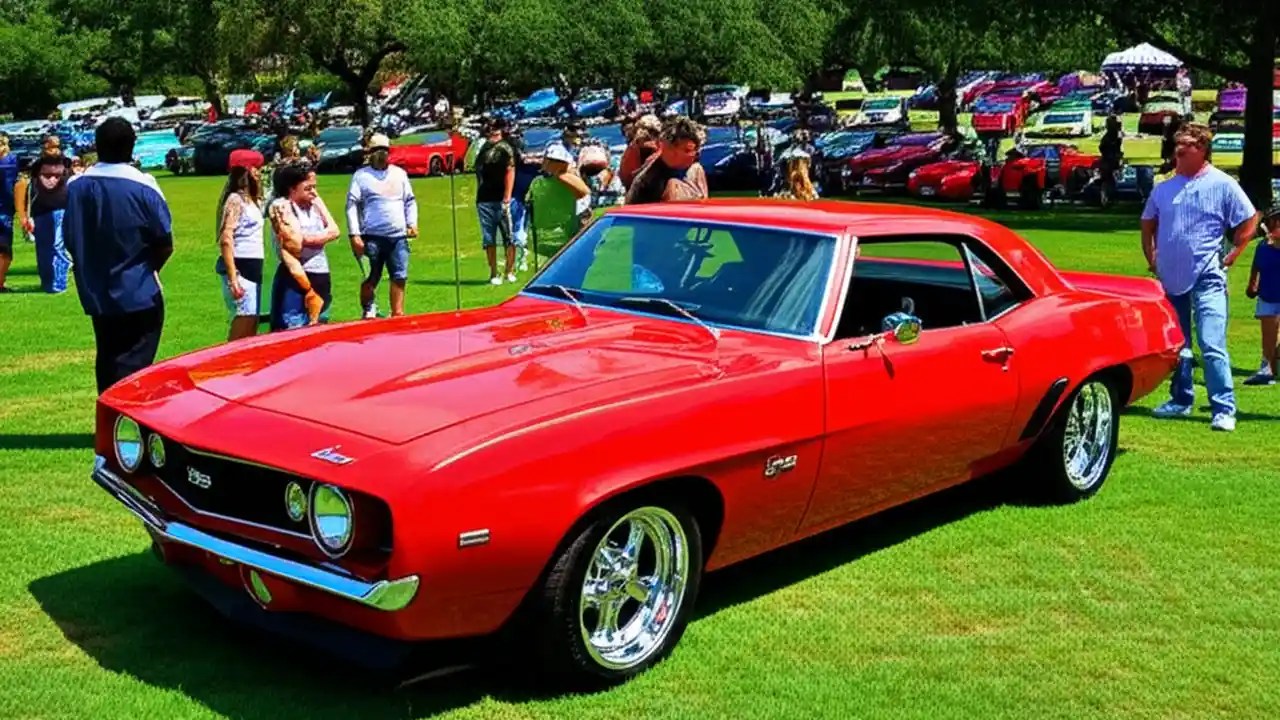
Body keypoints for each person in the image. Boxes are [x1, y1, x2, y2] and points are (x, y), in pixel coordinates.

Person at [1141, 123, 1259, 431]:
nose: (1179, 148)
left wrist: (1234, 251)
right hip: (1171, 278)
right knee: (1178, 344)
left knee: (1211, 343)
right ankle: (1181, 399)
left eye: (1187, 144)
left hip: (1208, 277)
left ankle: (1223, 408)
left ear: (1203, 149)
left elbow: (1250, 217)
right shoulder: (1164, 187)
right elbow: (1148, 223)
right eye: (1178, 143)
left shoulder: (1222, 184)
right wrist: (1151, 257)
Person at [62, 117, 173, 394]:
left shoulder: (76, 188)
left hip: (96, 292)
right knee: (134, 365)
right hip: (138, 291)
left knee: (108, 358)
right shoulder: (144, 186)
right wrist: (150, 269)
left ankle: (109, 424)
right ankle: (128, 428)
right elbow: (164, 241)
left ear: (97, 146)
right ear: (132, 147)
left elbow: (70, 238)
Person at [347, 133, 417, 319]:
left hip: (398, 236)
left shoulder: (399, 174)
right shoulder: (361, 176)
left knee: (399, 276)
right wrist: (354, 234)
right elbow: (351, 206)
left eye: (384, 150)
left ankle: (397, 313)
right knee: (372, 276)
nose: (381, 154)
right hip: (371, 236)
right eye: (377, 150)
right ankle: (368, 308)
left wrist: (412, 222)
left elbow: (410, 201)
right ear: (369, 152)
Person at [267, 162, 338, 330]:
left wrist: (308, 238)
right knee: (292, 329)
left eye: (314, 187)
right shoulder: (281, 206)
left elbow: (335, 230)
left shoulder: (315, 202)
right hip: (296, 277)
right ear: (292, 188)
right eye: (308, 188)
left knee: (319, 328)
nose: (314, 192)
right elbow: (295, 244)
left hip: (320, 272)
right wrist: (321, 237)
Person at [216, 150, 267, 341]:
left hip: (255, 266)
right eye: (255, 168)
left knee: (253, 318)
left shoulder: (253, 200)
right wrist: (233, 277)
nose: (259, 173)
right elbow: (226, 238)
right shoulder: (235, 200)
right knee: (244, 317)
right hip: (241, 266)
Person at [474, 118, 520, 284]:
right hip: (484, 199)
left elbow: (510, 171)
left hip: (501, 199)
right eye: (489, 129)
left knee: (509, 236)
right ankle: (493, 273)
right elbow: (476, 170)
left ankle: (509, 270)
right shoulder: (483, 148)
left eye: (495, 129)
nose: (492, 132)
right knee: (489, 238)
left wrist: (507, 197)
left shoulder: (505, 148)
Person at [624, 116, 709, 205]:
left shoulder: (695, 169)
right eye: (688, 150)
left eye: (697, 150)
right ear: (666, 147)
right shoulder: (648, 182)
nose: (695, 154)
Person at [1244, 206, 1280, 385]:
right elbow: (1256, 265)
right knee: (1268, 335)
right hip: (1267, 295)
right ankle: (1266, 368)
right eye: (1274, 221)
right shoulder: (1263, 246)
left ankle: (1274, 365)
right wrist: (1252, 282)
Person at [28, 154, 72, 293]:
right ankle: (48, 282)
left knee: (56, 246)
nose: (52, 179)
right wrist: (27, 216)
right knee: (44, 249)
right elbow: (29, 194)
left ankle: (58, 282)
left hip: (60, 210)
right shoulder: (35, 174)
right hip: (41, 212)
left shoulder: (66, 171)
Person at [0, 135, 17, 292]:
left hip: (5, 209)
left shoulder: (11, 162)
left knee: (4, 250)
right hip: (4, 210)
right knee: (5, 250)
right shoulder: (11, 162)